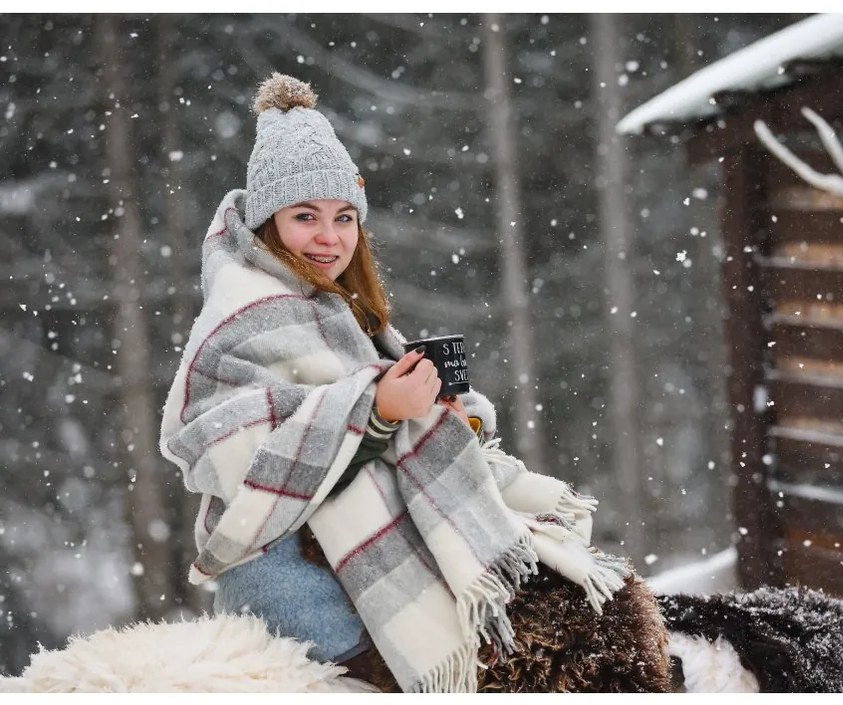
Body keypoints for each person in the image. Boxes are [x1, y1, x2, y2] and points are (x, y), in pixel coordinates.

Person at [159, 73, 654, 693]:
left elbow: (368, 430)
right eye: (304, 216)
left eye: (344, 218)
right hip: (301, 589)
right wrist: (377, 410)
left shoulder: (340, 313)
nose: (329, 237)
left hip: (367, 562)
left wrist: (438, 418)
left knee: (604, 614)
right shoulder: (240, 321)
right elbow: (243, 472)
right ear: (265, 223)